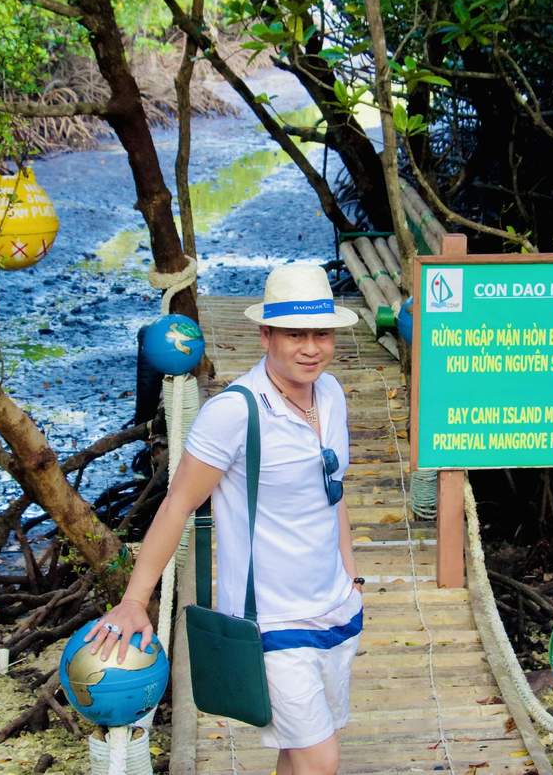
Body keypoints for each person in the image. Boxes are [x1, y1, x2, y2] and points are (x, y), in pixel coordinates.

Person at [87, 262, 364, 775]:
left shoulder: (332, 394)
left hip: (335, 607)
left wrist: (352, 578)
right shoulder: (236, 413)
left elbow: (333, 491)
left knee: (297, 752)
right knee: (321, 760)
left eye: (321, 334)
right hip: (272, 621)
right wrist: (133, 601)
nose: (310, 348)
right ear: (265, 335)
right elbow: (177, 505)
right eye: (294, 334)